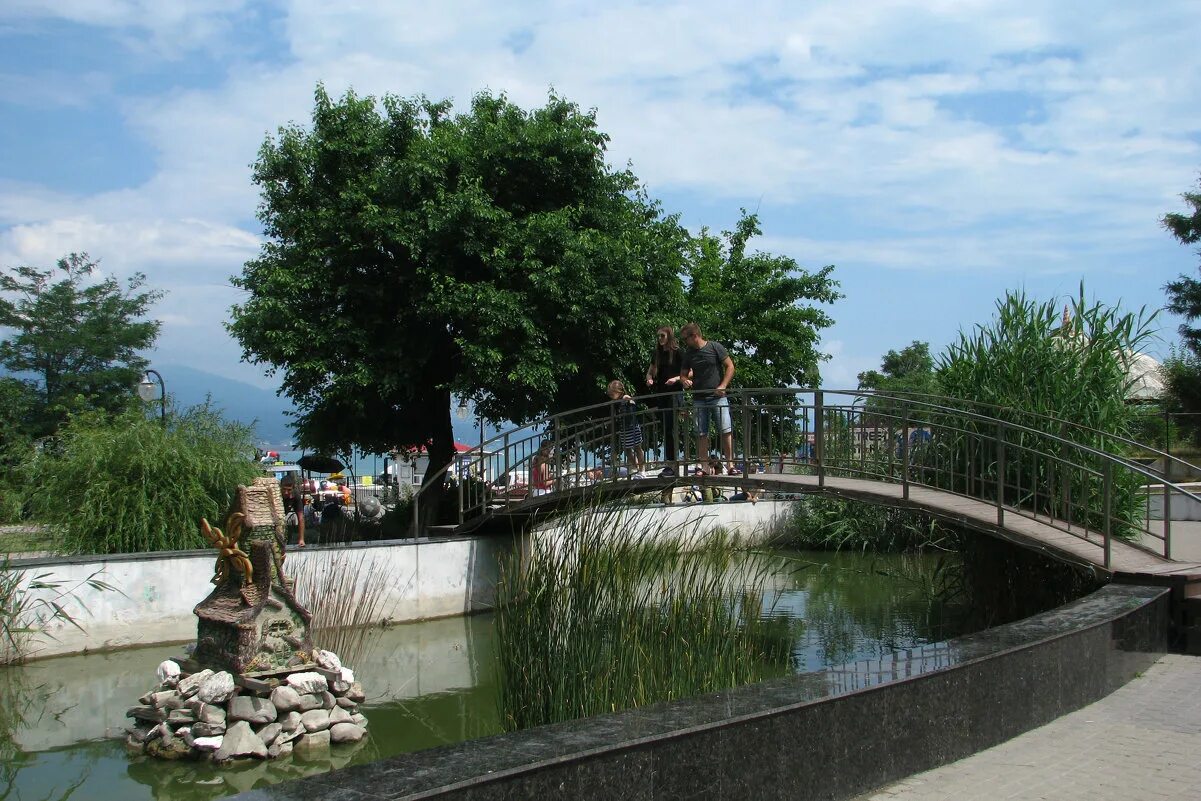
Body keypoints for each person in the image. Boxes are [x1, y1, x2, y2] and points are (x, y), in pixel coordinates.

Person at [679, 322, 736, 475]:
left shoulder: (715, 347)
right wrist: (684, 380)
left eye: (685, 339)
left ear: (694, 336)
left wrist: (723, 385)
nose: (684, 342)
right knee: (701, 433)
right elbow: (683, 374)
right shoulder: (689, 354)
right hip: (699, 398)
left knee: (725, 430)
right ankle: (704, 467)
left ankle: (730, 465)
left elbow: (730, 366)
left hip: (718, 397)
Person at [645, 325, 684, 476]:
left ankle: (673, 464)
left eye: (662, 336)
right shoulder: (657, 353)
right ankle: (670, 463)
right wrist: (649, 379)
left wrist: (676, 379)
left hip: (674, 394)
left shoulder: (678, 352)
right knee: (666, 429)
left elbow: (689, 372)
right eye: (658, 336)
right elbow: (649, 372)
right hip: (661, 394)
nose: (660, 339)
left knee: (671, 429)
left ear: (669, 336)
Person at [606, 380, 645, 476]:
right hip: (624, 429)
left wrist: (628, 402)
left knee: (637, 448)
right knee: (627, 449)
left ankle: (642, 468)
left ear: (618, 391)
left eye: (612, 394)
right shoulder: (616, 402)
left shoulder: (625, 398)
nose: (611, 396)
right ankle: (635, 467)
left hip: (632, 427)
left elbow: (633, 408)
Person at [280, 474, 306, 547]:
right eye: (284, 489)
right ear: (280, 487)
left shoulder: (295, 496)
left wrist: (301, 539)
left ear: (293, 488)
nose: (286, 492)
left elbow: (301, 518)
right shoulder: (276, 495)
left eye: (289, 490)